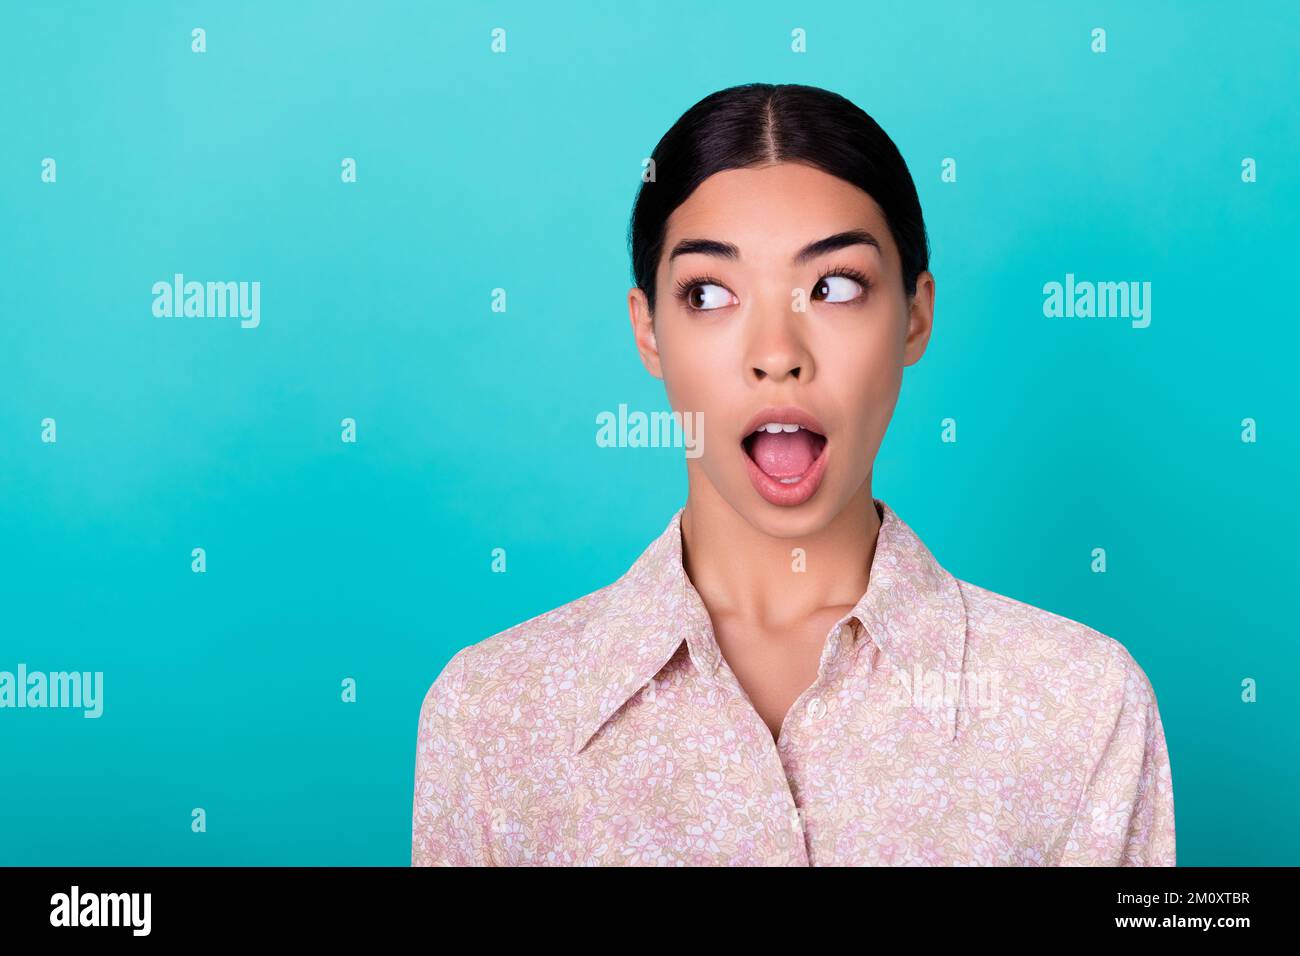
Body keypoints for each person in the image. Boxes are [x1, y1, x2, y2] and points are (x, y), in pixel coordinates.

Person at [411, 82, 1175, 866]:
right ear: (649, 331)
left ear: (914, 316)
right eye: (709, 293)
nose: (777, 352)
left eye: (835, 287)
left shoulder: (1080, 706)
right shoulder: (490, 717)